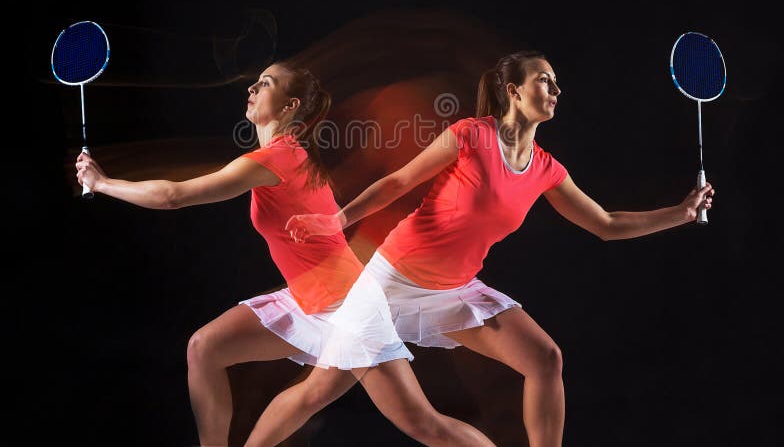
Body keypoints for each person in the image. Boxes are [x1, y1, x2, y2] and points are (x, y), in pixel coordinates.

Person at [286, 50, 716, 447]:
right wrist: (338, 220)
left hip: (455, 288)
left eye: (556, 83)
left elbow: (605, 224)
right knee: (318, 392)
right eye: (545, 81)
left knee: (545, 358)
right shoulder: (470, 135)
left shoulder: (546, 168)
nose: (556, 90)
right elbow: (400, 181)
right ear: (513, 91)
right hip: (390, 281)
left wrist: (679, 213)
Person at [75, 62, 496, 447]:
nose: (253, 87)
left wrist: (103, 182)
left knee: (424, 424)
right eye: (256, 81)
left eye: (266, 83)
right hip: (308, 298)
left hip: (349, 307)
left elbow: (172, 197)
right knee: (212, 351)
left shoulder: (277, 158)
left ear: (291, 105)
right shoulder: (291, 156)